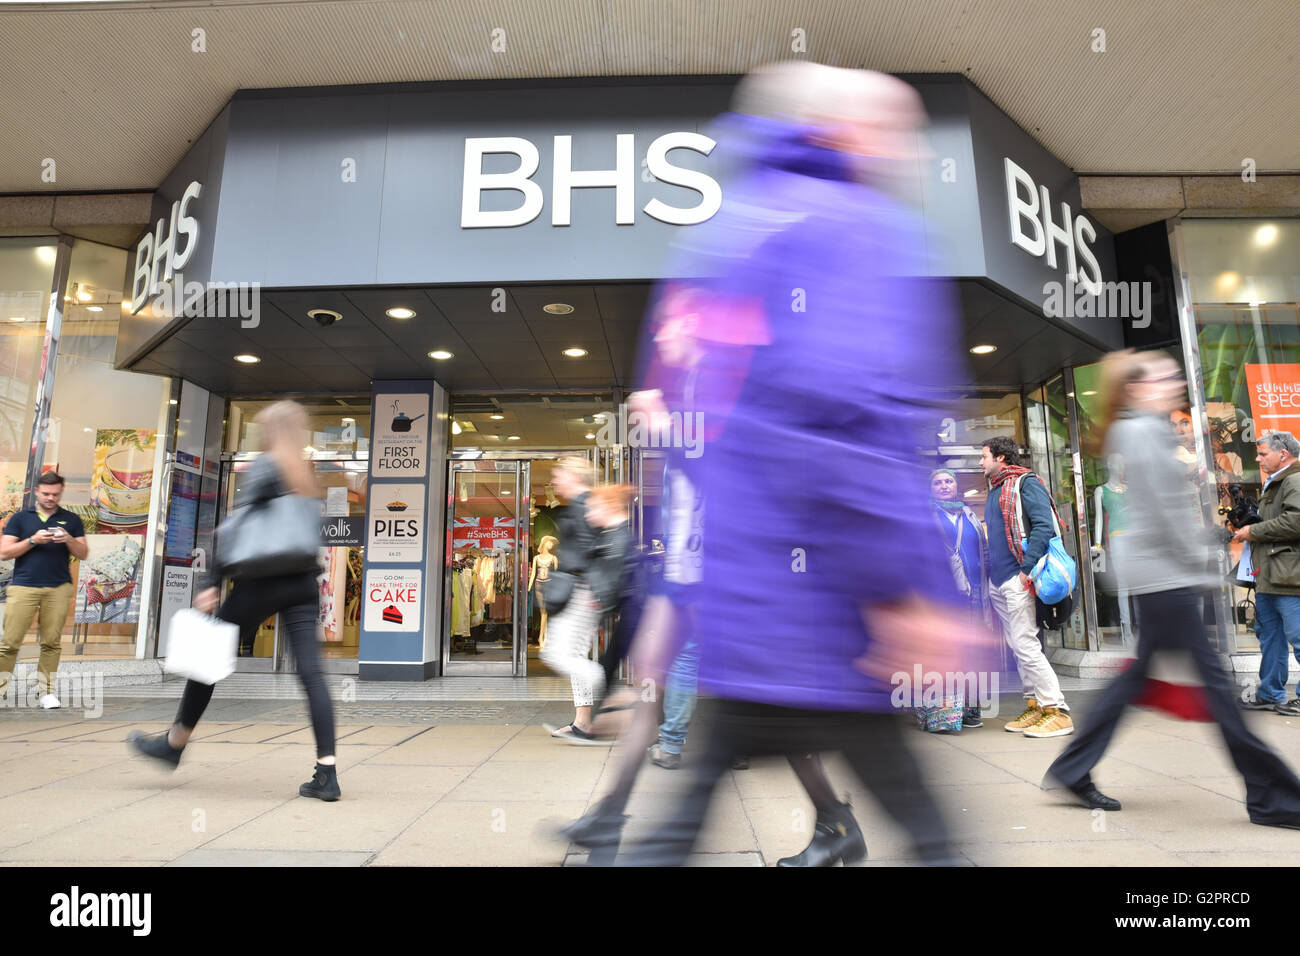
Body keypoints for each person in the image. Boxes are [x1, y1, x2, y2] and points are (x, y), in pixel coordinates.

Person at [617, 62, 988, 868]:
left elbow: (697, 434)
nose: (912, 156)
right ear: (843, 130)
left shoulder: (728, 230)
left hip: (752, 607)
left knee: (681, 823)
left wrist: (677, 595)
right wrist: (902, 589)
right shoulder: (855, 225)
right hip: (829, 611)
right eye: (899, 132)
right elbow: (845, 420)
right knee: (933, 832)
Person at [1045, 351, 1300, 827]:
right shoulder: (1141, 430)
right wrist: (1202, 563)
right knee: (1219, 691)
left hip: (1162, 576)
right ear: (1139, 388)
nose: (1175, 380)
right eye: (1164, 375)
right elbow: (1163, 513)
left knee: (1134, 680)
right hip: (1166, 578)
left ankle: (1071, 767)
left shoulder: (1143, 428)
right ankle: (1273, 797)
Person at [129, 401, 341, 801]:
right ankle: (327, 773)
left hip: (261, 581)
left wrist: (213, 580)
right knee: (313, 676)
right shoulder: (305, 473)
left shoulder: (266, 464)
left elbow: (236, 526)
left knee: (207, 659)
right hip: (301, 582)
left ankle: (174, 744)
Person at [979, 436, 1074, 738]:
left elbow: (1045, 526)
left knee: (1026, 645)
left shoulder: (1025, 484)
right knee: (1019, 647)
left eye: (984, 456)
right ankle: (1035, 705)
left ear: (1001, 458)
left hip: (1018, 578)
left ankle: (1057, 710)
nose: (981, 462)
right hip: (1000, 581)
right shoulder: (995, 490)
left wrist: (1026, 570)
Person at [0, 472, 89, 708]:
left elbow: (83, 553)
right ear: (37, 492)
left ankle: (46, 693)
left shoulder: (71, 519)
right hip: (23, 586)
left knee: (52, 642)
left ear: (61, 493)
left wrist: (69, 539)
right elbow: (4, 552)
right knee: (9, 642)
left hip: (58, 587)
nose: (51, 498)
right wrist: (32, 541)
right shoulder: (20, 519)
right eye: (46, 493)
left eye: (56, 494)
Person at [915, 468, 989, 732]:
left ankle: (968, 710)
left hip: (974, 594)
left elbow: (983, 553)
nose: (944, 485)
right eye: (938, 482)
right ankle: (942, 717)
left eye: (948, 481)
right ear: (930, 488)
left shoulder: (969, 515)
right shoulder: (924, 516)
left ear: (956, 486)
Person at [541, 457, 609, 743]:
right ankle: (583, 723)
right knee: (576, 658)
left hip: (581, 591)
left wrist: (594, 589)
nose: (555, 481)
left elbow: (595, 549)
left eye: (559, 475)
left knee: (555, 654)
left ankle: (616, 694)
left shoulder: (584, 506)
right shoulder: (584, 505)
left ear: (574, 477)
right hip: (584, 589)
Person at [1232, 431, 1300, 716]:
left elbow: (1295, 521)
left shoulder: (1295, 480)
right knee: (1269, 637)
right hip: (1271, 576)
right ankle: (1269, 692)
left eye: (1263, 454)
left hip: (1290, 576)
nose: (1258, 459)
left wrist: (1253, 531)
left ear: (1283, 454)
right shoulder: (1277, 482)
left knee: (1297, 638)